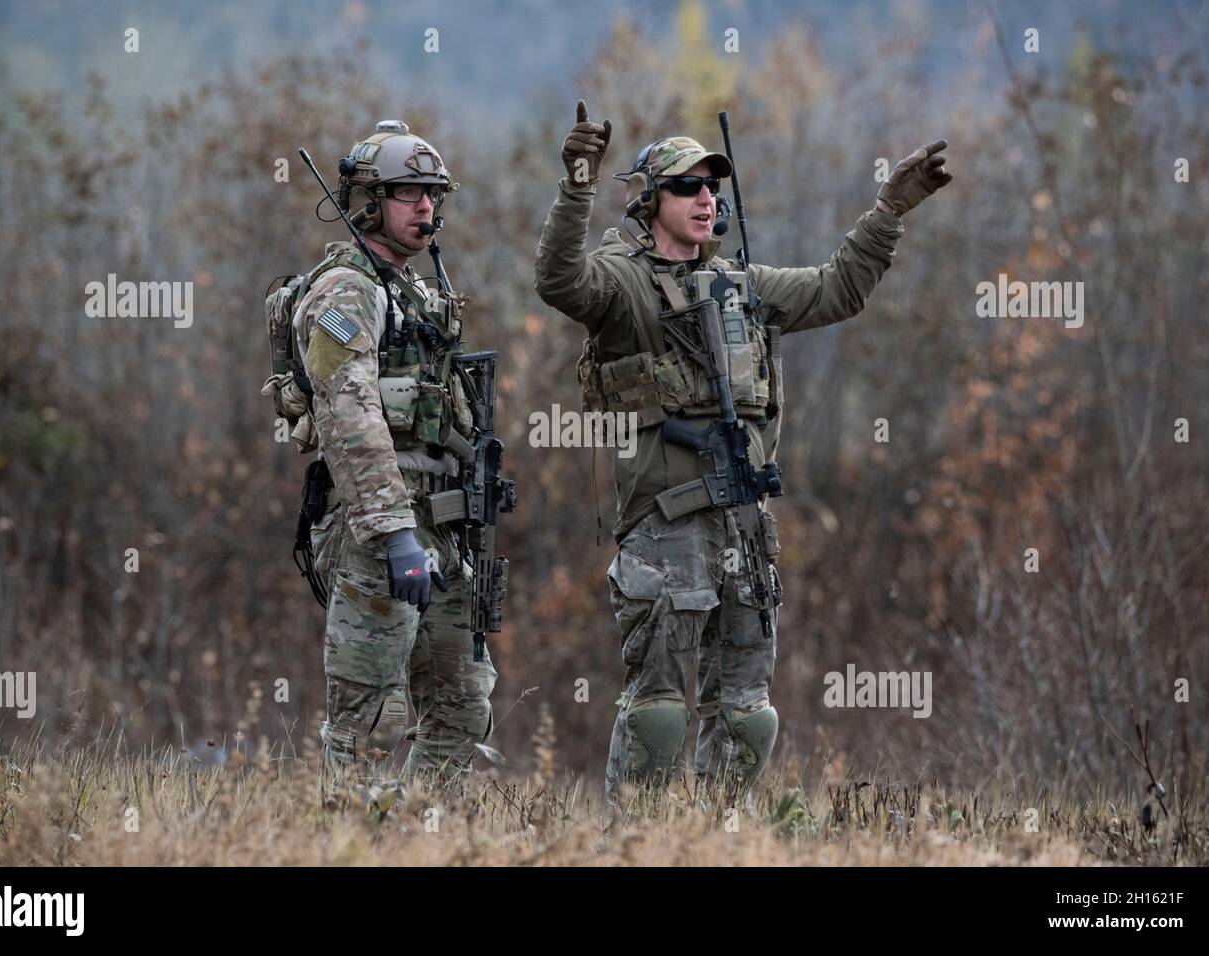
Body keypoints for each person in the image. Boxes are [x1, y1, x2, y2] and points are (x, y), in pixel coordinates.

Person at [534, 100, 952, 809]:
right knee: (660, 713)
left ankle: (718, 839)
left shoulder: (741, 288)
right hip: (665, 526)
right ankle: (634, 847)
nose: (704, 199)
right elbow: (560, 282)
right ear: (648, 202)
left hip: (746, 528)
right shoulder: (623, 281)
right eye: (686, 187)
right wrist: (577, 183)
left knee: (748, 716)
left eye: (712, 188)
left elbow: (837, 288)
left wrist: (887, 211)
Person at [287, 121, 498, 808]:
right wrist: (394, 531)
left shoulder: (416, 293)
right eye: (408, 193)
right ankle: (351, 843)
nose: (425, 209)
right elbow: (347, 417)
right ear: (369, 202)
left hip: (442, 532)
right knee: (371, 723)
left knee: (462, 711)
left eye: (433, 195)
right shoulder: (347, 293)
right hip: (383, 536)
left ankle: (421, 839)